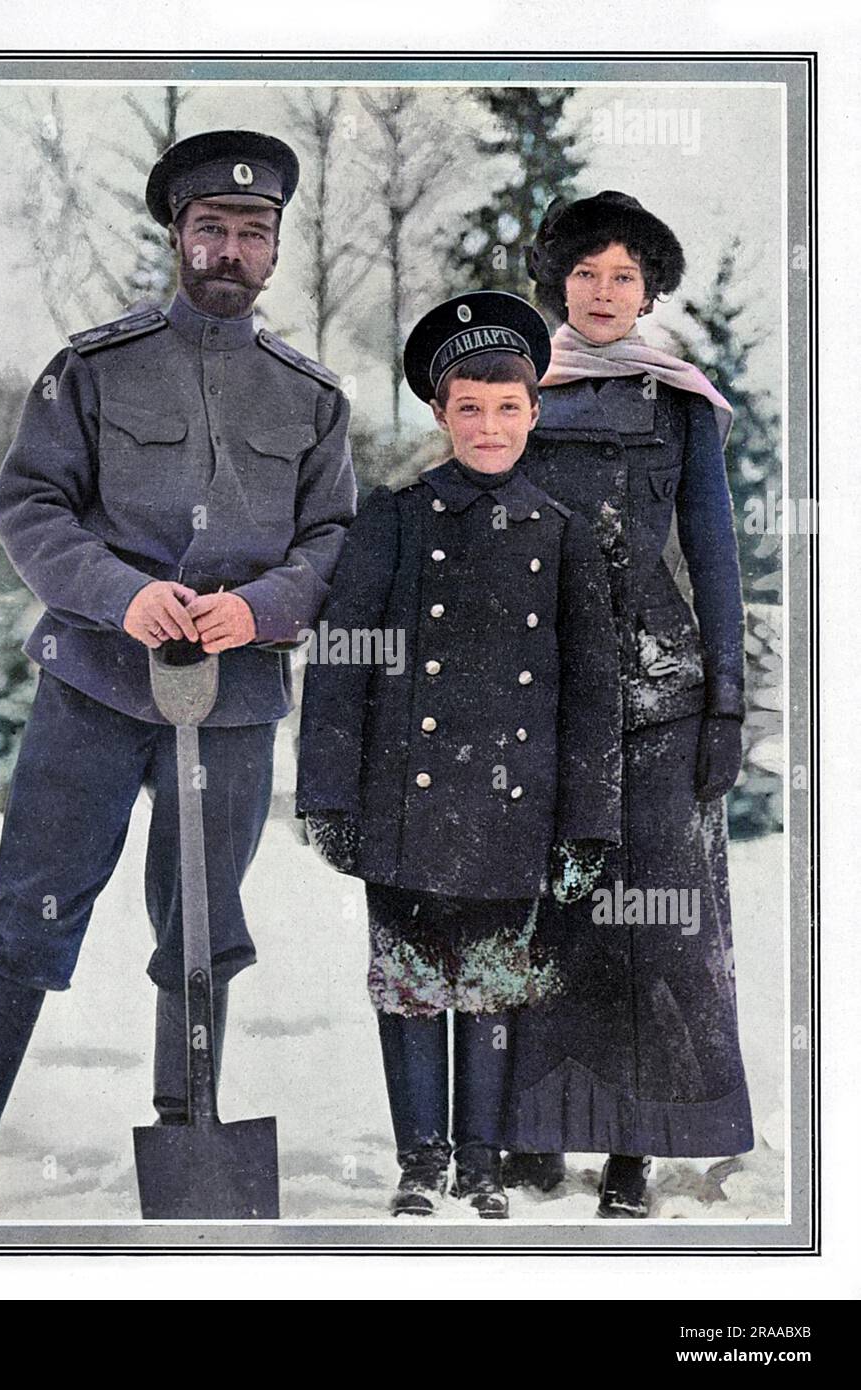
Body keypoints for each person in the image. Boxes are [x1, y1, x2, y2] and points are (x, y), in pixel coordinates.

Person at [0, 129, 356, 1235]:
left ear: (276, 250)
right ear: (179, 238)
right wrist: (122, 595)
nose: (230, 249)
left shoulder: (311, 396)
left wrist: (259, 609)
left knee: (205, 924)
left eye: (253, 232)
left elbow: (332, 540)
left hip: (232, 699)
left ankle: (192, 1135)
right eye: (211, 228)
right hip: (94, 686)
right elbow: (28, 506)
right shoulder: (94, 367)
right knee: (28, 916)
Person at [296, 292, 622, 1219]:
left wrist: (588, 822)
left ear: (535, 413)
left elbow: (592, 694)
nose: (489, 427)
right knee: (408, 987)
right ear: (440, 414)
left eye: (507, 408)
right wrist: (328, 795)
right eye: (469, 408)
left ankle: (479, 1163)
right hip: (404, 804)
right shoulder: (396, 518)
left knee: (492, 989)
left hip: (517, 813)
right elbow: (340, 664)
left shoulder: (562, 532)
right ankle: (419, 1163)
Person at [500, 191, 753, 1217]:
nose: (603, 293)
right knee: (547, 916)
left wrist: (726, 705)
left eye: (624, 278)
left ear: (648, 296)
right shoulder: (515, 390)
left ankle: (635, 1149)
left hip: (659, 697)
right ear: (557, 283)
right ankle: (534, 1130)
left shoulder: (679, 403)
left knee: (657, 922)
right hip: (542, 692)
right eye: (586, 273)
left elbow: (715, 557)